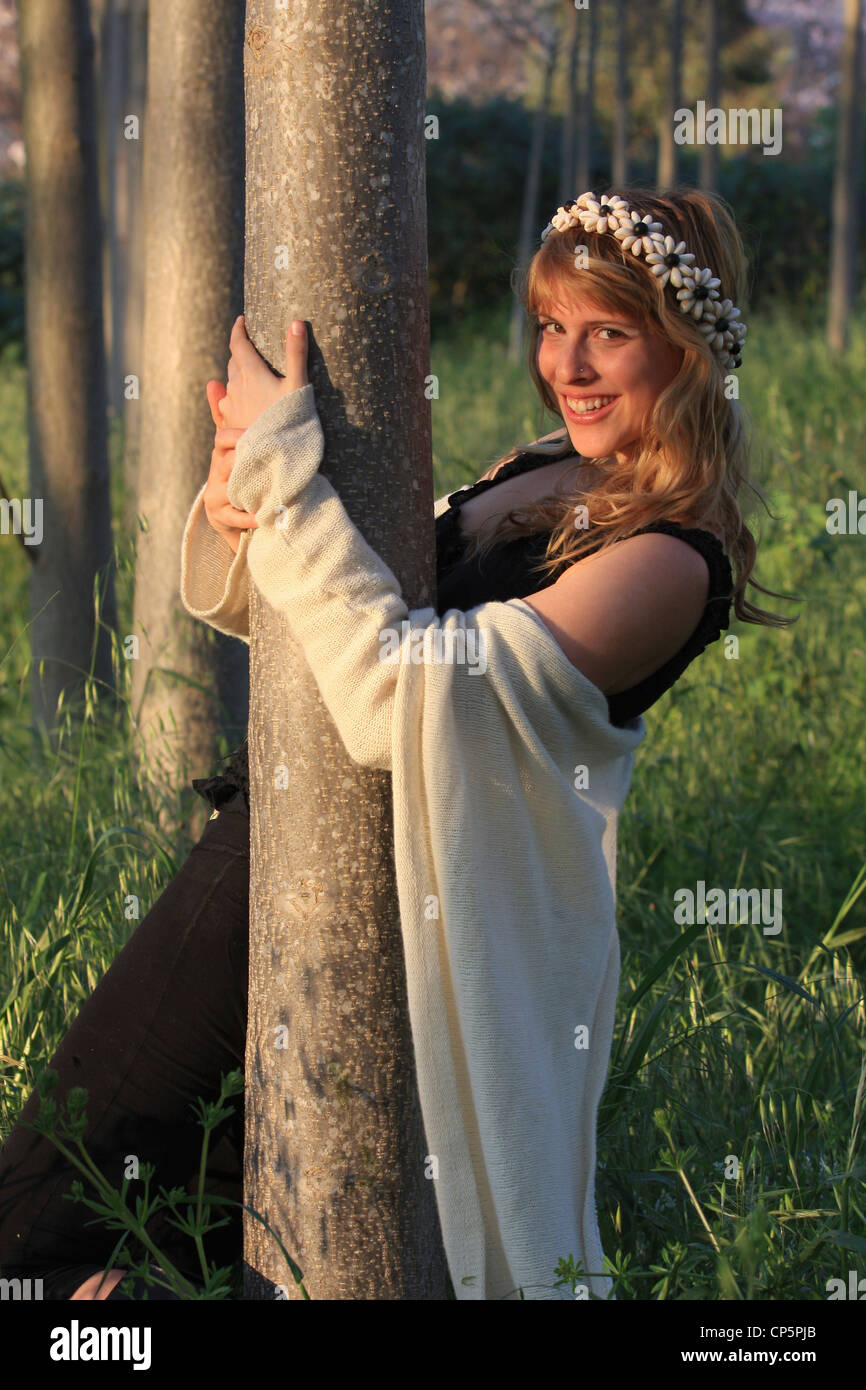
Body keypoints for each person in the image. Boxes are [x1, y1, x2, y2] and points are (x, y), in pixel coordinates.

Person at [0, 186, 793, 1301]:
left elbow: (394, 690)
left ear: (691, 351)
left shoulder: (672, 559)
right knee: (120, 1202)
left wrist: (289, 486)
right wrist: (246, 503)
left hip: (394, 904)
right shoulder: (539, 469)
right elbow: (335, 627)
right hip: (273, 851)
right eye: (549, 326)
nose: (565, 364)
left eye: (607, 332)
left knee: (42, 1223)